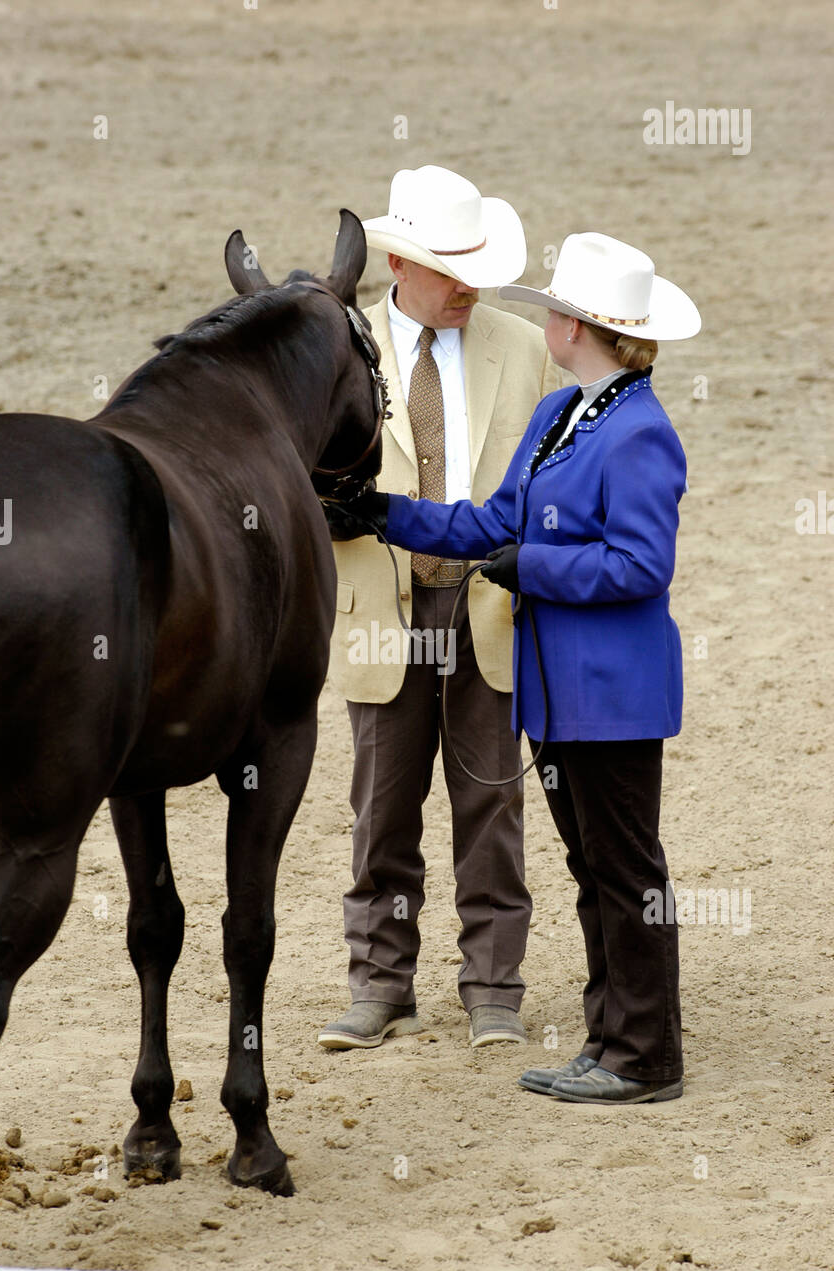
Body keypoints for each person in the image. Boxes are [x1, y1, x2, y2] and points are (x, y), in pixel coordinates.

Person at [327, 231, 700, 1103]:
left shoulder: (640, 433)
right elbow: (491, 519)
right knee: (594, 867)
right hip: (564, 693)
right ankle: (611, 1042)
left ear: (579, 328)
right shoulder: (562, 415)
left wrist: (531, 568)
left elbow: (642, 566)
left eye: (557, 312)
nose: (545, 322)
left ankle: (645, 1056)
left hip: (611, 693)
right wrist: (384, 511)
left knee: (626, 867)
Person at [319, 166, 561, 1051]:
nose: (469, 286)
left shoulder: (525, 349)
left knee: (491, 801)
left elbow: (555, 474)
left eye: (476, 270)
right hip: (381, 604)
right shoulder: (344, 350)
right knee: (382, 806)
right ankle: (380, 984)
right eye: (450, 268)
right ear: (398, 262)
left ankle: (493, 987)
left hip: (486, 600)